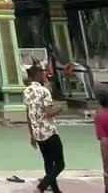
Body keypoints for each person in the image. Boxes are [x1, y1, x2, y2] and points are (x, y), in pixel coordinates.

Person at [24, 65, 64, 193]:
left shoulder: (26, 91)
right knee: (59, 164)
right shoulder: (44, 91)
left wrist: (32, 134)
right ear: (39, 75)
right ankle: (41, 187)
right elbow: (49, 112)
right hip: (49, 132)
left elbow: (28, 114)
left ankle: (55, 189)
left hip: (38, 133)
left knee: (48, 163)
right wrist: (60, 108)